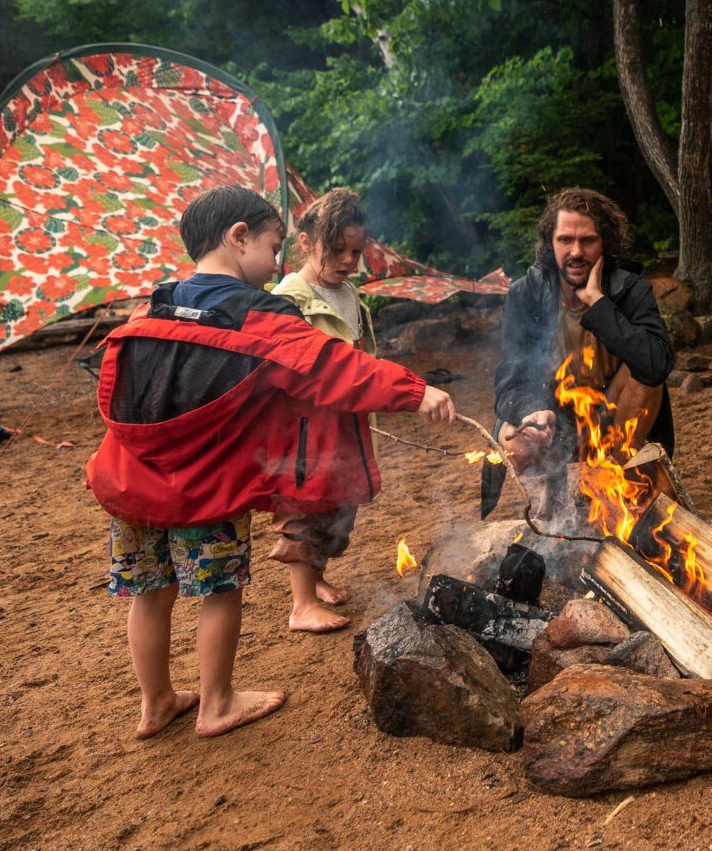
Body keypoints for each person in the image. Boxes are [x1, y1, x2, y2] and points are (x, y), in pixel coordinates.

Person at [87, 185, 456, 738]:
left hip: (131, 481)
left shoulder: (156, 302)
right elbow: (330, 364)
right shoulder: (254, 312)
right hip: (202, 487)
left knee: (150, 592)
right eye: (273, 245)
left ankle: (157, 701)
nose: (278, 260)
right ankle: (216, 703)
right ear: (239, 238)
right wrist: (413, 391)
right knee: (220, 589)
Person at [492, 188, 674, 489]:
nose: (576, 252)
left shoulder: (631, 290)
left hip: (612, 419)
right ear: (551, 244)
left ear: (606, 244)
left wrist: (598, 302)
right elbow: (508, 381)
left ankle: (615, 482)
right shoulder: (526, 294)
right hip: (555, 422)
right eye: (565, 240)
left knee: (643, 370)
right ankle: (550, 493)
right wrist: (533, 411)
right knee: (514, 440)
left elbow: (657, 365)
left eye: (587, 240)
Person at [268, 186, 377, 633]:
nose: (349, 261)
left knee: (338, 504)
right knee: (304, 508)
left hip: (346, 422)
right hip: (304, 427)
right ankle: (301, 604)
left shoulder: (349, 293)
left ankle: (318, 580)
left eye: (356, 251)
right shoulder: (289, 296)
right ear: (307, 243)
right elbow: (285, 368)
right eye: (337, 250)